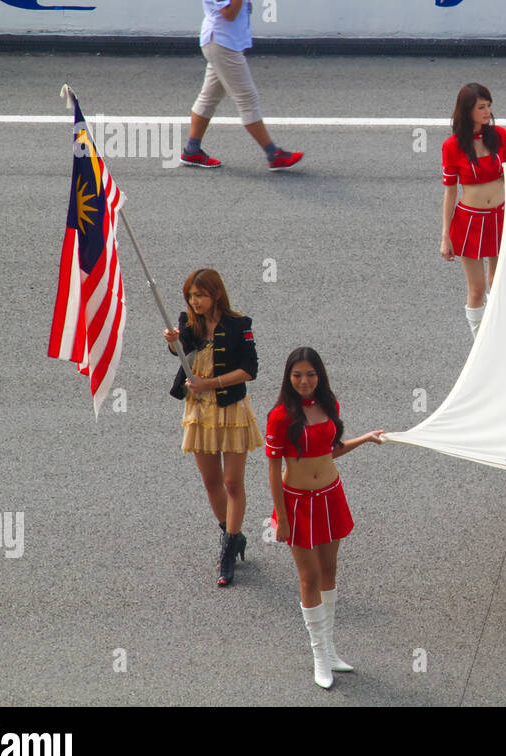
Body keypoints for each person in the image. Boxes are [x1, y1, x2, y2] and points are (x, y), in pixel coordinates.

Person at [265, 348, 385, 689]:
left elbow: (330, 450)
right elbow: (274, 471)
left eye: (310, 374)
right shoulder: (279, 417)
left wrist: (364, 438)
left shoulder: (329, 404)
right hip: (298, 502)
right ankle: (319, 654)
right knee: (309, 576)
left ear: (320, 375)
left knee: (330, 571)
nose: (304, 381)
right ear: (288, 378)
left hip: (331, 496)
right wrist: (282, 518)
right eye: (297, 375)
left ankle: (331, 650)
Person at [163, 268, 263, 586]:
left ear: (216, 294)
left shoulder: (239, 325)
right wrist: (172, 343)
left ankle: (227, 551)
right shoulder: (187, 323)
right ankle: (232, 534)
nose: (195, 302)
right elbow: (182, 352)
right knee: (211, 482)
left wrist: (212, 382)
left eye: (200, 296)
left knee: (233, 483)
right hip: (201, 412)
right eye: (191, 297)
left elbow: (250, 369)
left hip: (231, 409)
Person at [180, 0, 303, 172]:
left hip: (226, 43)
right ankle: (273, 154)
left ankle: (191, 151)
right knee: (247, 98)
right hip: (221, 43)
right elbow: (229, 13)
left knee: (209, 97)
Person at [440, 82, 506, 336]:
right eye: (481, 107)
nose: (487, 111)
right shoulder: (452, 146)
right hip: (470, 222)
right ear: (467, 109)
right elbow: (449, 192)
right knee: (477, 288)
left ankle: (498, 335)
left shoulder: (500, 135)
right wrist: (445, 236)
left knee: (499, 282)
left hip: (501, 217)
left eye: (489, 106)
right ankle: (478, 340)